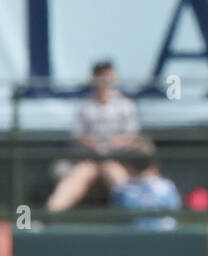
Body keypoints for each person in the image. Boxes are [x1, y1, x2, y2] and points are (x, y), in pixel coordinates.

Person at [47, 62, 142, 212]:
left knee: (119, 179)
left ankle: (135, 217)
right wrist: (92, 145)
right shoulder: (85, 105)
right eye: (101, 78)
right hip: (89, 160)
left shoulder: (126, 105)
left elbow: (132, 137)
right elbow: (77, 136)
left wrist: (111, 144)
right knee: (74, 180)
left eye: (109, 77)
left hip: (115, 159)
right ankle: (48, 216)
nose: (105, 82)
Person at [103, 141, 182, 230]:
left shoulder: (121, 190)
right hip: (166, 238)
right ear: (154, 164)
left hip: (133, 240)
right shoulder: (167, 186)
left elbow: (117, 221)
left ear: (127, 166)